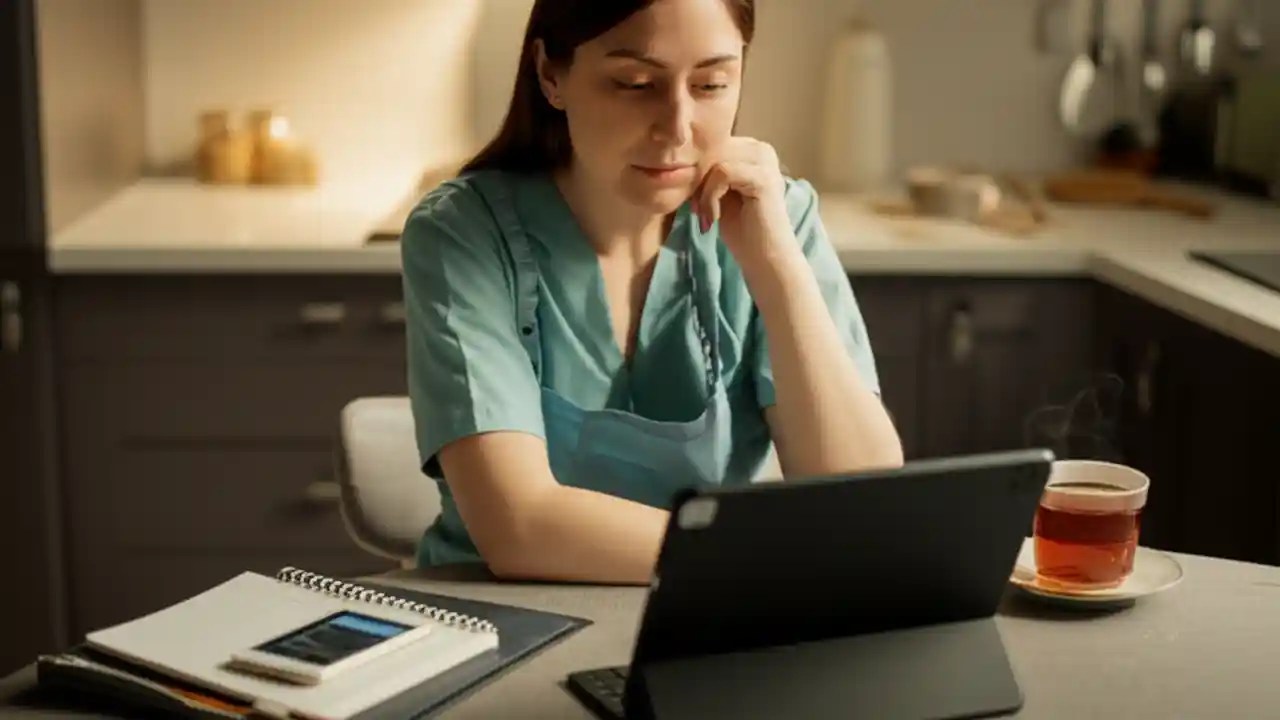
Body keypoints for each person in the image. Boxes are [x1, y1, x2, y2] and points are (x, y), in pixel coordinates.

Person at [399, 0, 903, 584]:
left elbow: (862, 497)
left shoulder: (778, 214)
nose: (678, 126)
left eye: (712, 83)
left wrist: (775, 263)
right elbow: (521, 525)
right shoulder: (463, 232)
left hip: (717, 629)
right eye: (635, 83)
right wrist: (774, 559)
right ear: (550, 75)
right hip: (503, 623)